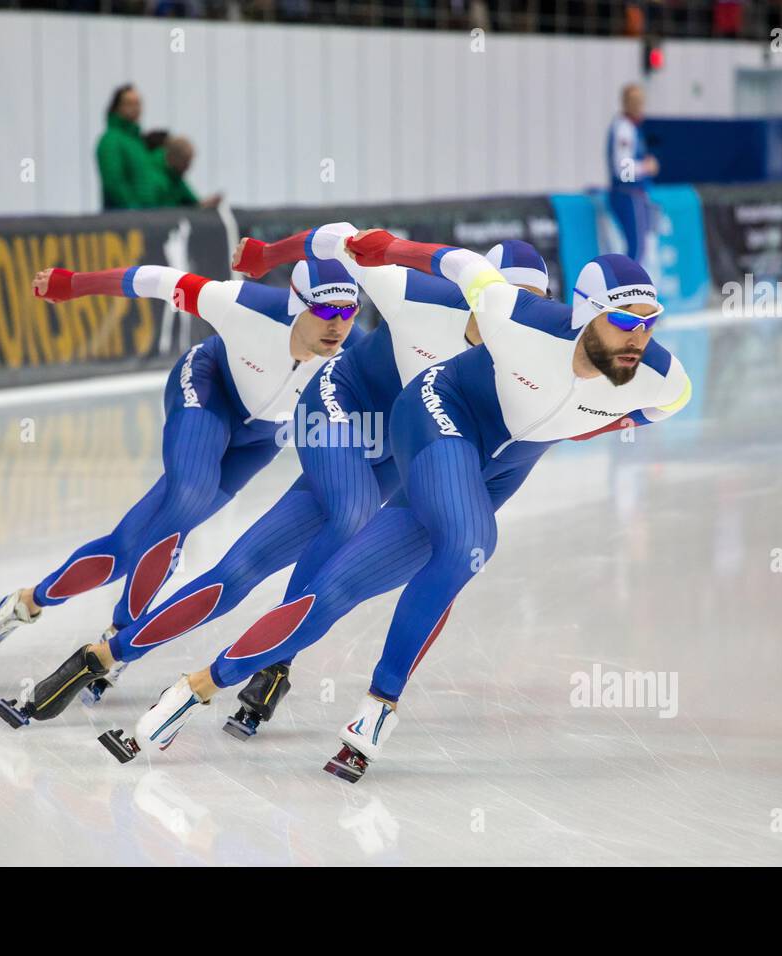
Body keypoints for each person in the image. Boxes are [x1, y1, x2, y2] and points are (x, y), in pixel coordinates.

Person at [101, 231, 692, 781]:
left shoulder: (660, 375)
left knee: (338, 589)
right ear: (586, 313)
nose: (639, 337)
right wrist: (360, 247)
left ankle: (193, 688)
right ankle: (381, 703)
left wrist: (586, 427)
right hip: (440, 412)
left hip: (504, 462)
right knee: (469, 542)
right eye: (623, 321)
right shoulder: (512, 314)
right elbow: (450, 263)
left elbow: (672, 402)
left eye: (649, 323)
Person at [0, 223, 550, 737]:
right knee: (353, 511)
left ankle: (107, 655)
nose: (514, 324)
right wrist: (267, 256)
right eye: (505, 306)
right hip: (339, 405)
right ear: (476, 293)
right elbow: (336, 239)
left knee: (244, 570)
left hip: (399, 450)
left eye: (534, 311)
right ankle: (258, 659)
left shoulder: (537, 358)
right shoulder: (414, 295)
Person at [0, 255, 361, 677]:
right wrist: (72, 284)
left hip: (262, 437)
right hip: (208, 389)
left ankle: (26, 603)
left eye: (349, 310)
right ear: (295, 303)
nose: (337, 323)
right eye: (324, 308)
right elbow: (154, 279)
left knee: (131, 545)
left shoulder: (354, 352)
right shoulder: (243, 305)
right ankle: (120, 636)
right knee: (187, 498)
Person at [606, 83, 659, 263]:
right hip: (628, 195)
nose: (639, 106)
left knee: (640, 248)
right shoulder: (624, 129)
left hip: (634, 195)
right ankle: (629, 288)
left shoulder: (631, 128)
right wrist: (646, 167)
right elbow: (623, 170)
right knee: (636, 249)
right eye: (635, 102)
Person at [96, 84, 160, 210]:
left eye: (138, 103)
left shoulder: (137, 142)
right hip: (124, 221)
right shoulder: (111, 140)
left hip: (147, 217)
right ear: (116, 108)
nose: (135, 108)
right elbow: (113, 182)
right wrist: (133, 209)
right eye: (129, 103)